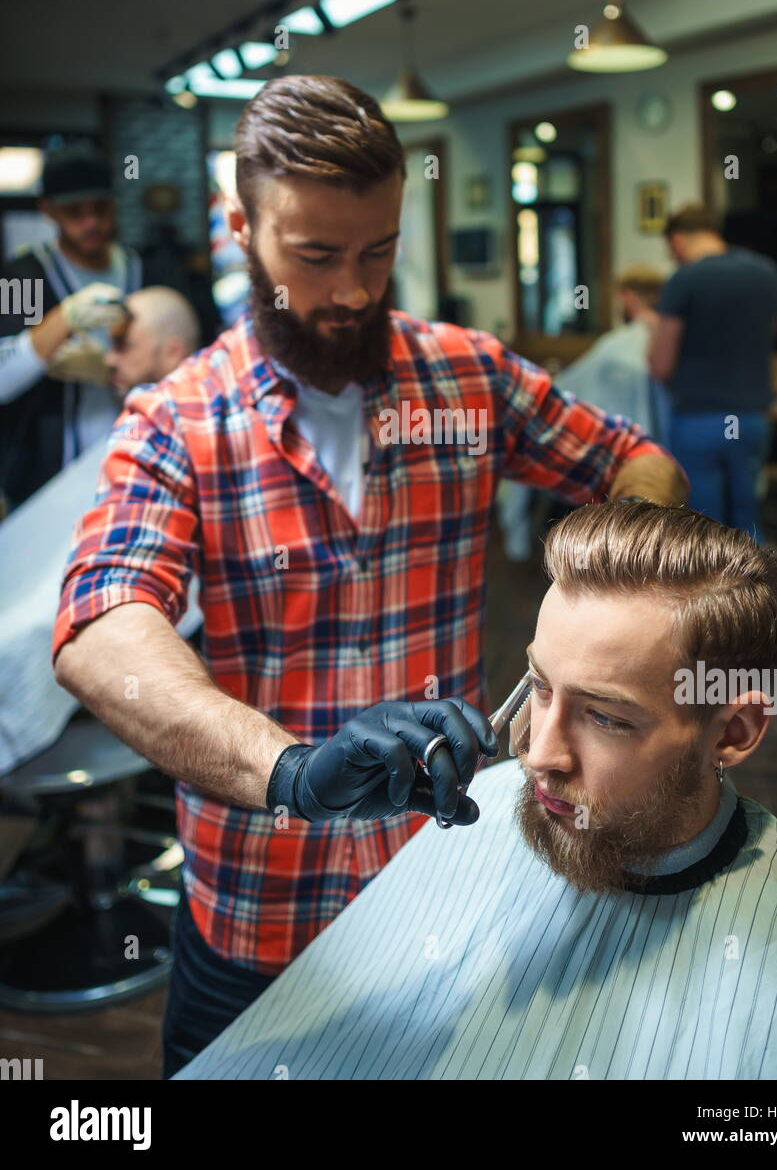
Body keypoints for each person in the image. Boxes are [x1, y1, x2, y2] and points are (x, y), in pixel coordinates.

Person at [50, 74, 688, 1078]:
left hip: (437, 886)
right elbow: (99, 632)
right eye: (315, 256)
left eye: (378, 250)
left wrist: (605, 575)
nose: (352, 288)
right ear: (239, 230)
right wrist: (291, 771)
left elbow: (635, 460)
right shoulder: (177, 418)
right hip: (256, 912)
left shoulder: (470, 376)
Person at [174, 501, 777, 1082]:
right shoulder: (488, 807)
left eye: (604, 716)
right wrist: (294, 778)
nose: (536, 753)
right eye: (538, 685)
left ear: (732, 730)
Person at [0, 287, 202, 778]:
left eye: (123, 345)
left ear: (172, 352)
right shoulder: (138, 430)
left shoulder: (190, 443)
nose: (109, 358)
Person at [0, 148, 141, 510]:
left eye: (101, 208)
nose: (91, 222)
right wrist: (64, 318)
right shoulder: (24, 277)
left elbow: (188, 357)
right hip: (44, 473)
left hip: (135, 463)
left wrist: (113, 371)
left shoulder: (144, 270)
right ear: (47, 210)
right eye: (74, 212)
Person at [498, 265, 670, 560]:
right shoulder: (666, 340)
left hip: (610, 448)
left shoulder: (617, 347)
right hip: (659, 451)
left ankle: (525, 544)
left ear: (627, 298)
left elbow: (563, 391)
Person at [648, 203, 777, 539]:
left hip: (699, 418)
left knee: (703, 527)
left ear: (677, 241)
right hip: (751, 417)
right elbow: (771, 335)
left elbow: (661, 365)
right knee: (748, 517)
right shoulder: (766, 273)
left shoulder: (685, 279)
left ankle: (710, 594)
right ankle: (758, 591)